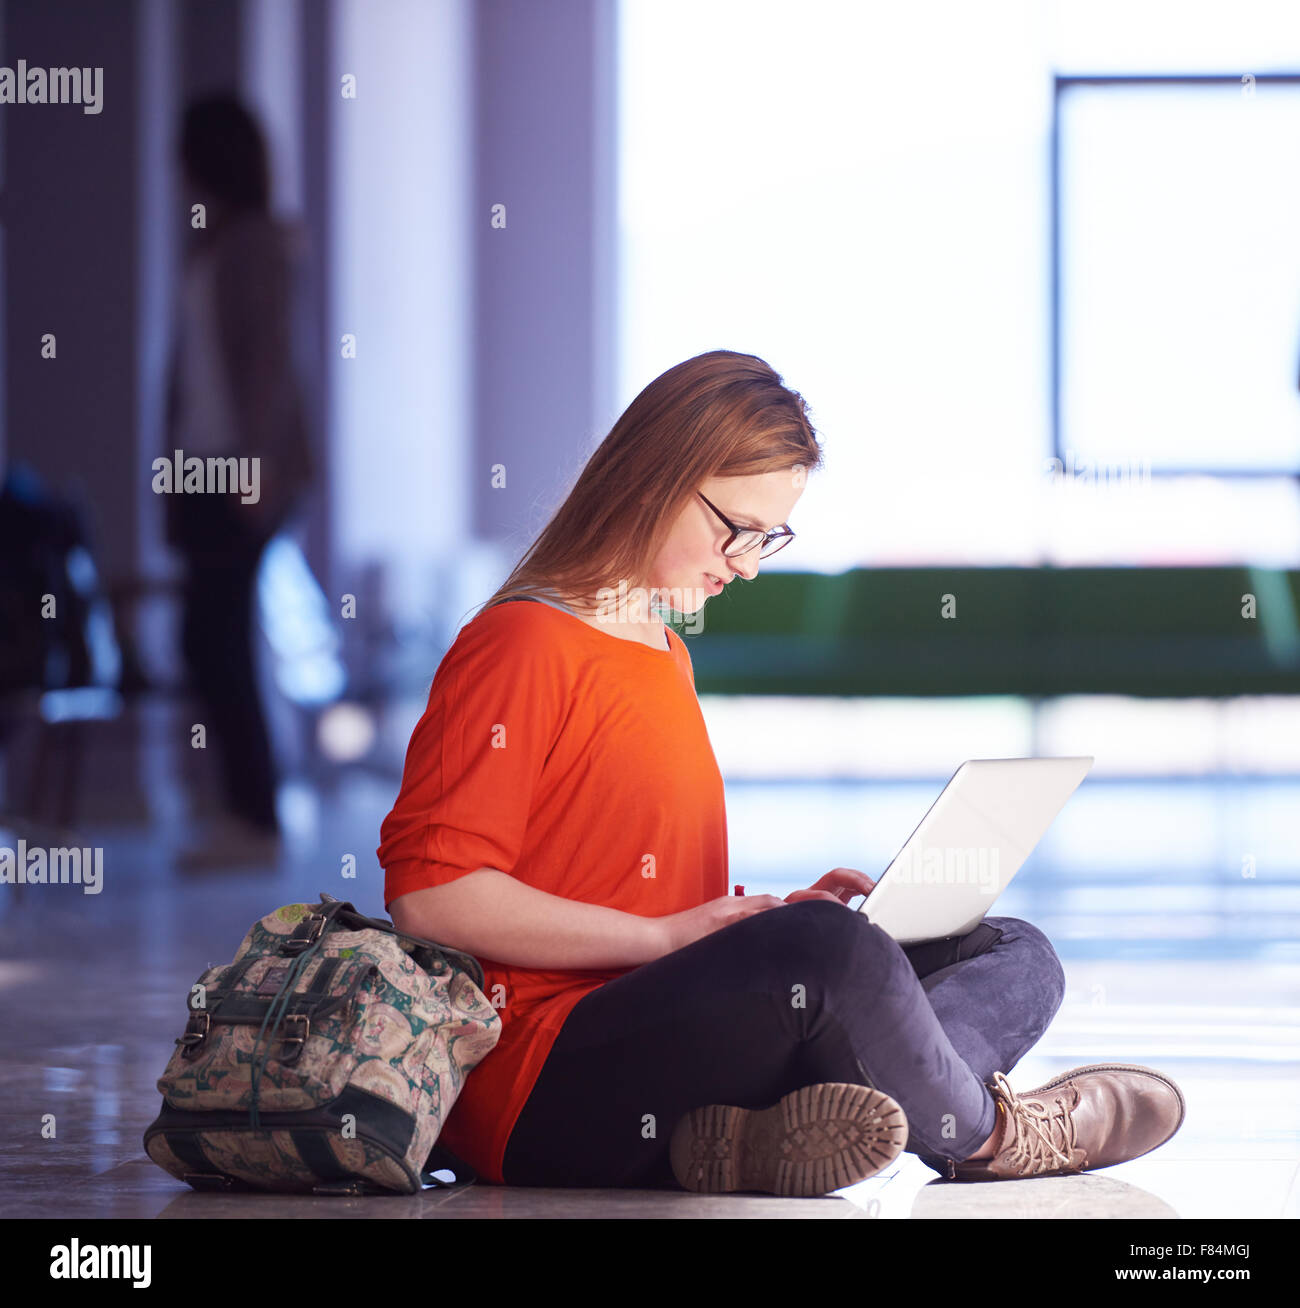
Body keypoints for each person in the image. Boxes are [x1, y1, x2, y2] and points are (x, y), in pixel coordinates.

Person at [378, 350, 1185, 1194]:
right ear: (657, 477)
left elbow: (640, 892)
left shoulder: (661, 652)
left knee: (1012, 952)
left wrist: (768, 921)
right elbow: (435, 899)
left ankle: (752, 1139)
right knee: (831, 955)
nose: (748, 563)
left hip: (660, 1053)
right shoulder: (521, 644)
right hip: (542, 1086)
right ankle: (992, 1136)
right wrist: (673, 941)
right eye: (736, 529)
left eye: (768, 537)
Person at [163, 94, 315, 868]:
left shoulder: (258, 245)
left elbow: (265, 369)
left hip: (240, 472)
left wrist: (251, 473)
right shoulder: (209, 243)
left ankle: (254, 817)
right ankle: (240, 810)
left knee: (220, 639)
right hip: (198, 467)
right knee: (206, 638)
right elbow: (191, 372)